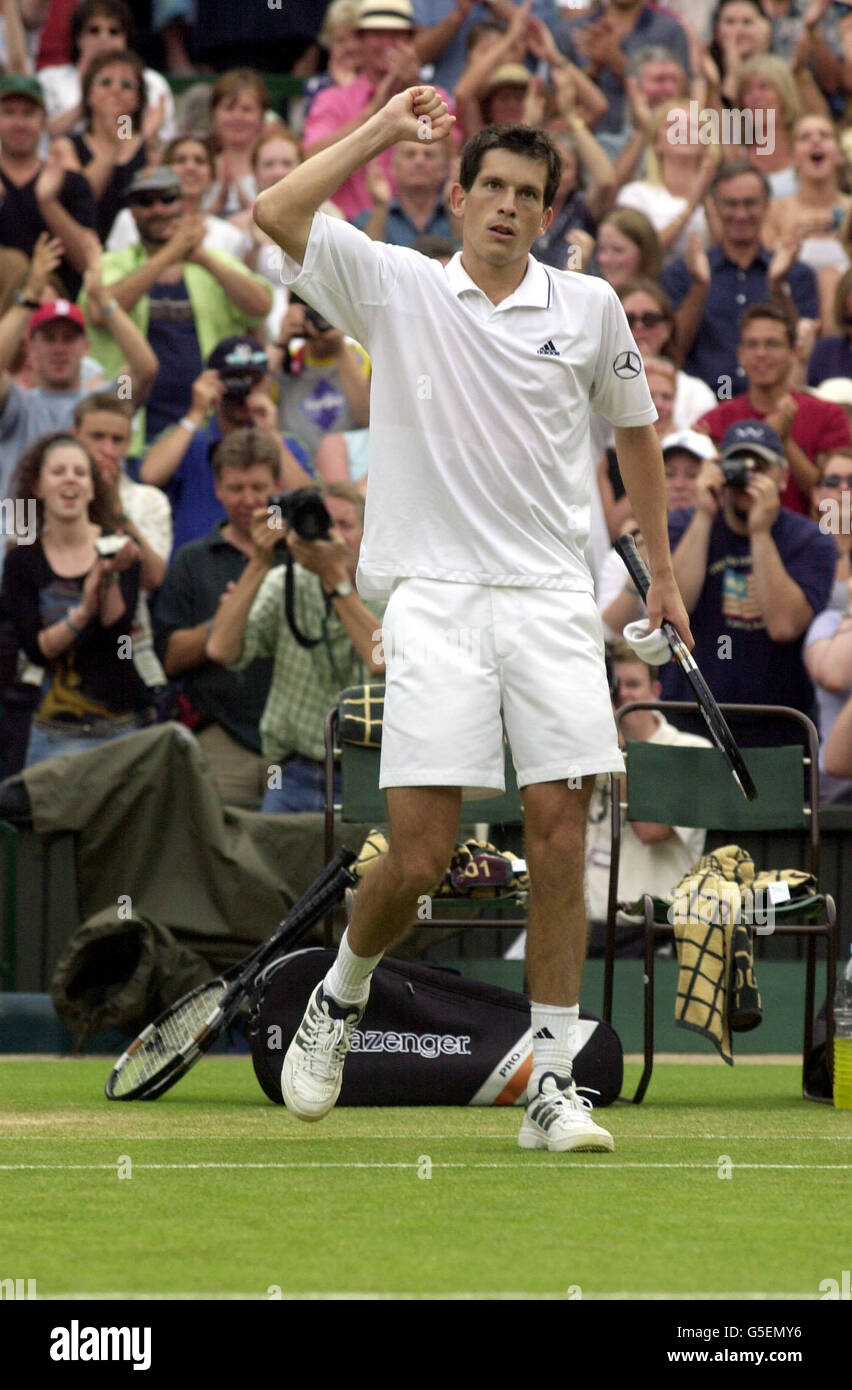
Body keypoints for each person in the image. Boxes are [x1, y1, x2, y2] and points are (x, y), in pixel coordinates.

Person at [253, 85, 692, 1151]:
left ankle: (550, 1085)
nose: (505, 206)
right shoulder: (396, 284)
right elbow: (275, 211)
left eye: (526, 194)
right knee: (419, 856)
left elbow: (634, 432)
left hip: (549, 598)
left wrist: (662, 575)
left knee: (556, 829)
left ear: (547, 215)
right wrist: (379, 131)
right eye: (489, 186)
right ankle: (343, 989)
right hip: (436, 601)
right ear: (455, 196)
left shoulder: (589, 308)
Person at [206, 481, 385, 813]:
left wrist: (335, 579)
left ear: (367, 534)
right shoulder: (285, 581)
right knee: (270, 863)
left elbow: (381, 659)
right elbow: (220, 649)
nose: (332, 535)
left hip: (370, 776)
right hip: (292, 774)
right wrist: (261, 560)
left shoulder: (386, 592)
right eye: (323, 522)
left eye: (344, 525)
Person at [662, 417, 835, 740]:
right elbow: (675, 608)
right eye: (738, 465)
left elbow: (784, 625)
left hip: (778, 725)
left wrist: (760, 533)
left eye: (760, 467)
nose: (746, 477)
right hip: (689, 719)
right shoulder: (683, 525)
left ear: (783, 478)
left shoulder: (810, 540)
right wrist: (703, 515)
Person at [80, 164, 273, 449]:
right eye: (146, 201)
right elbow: (100, 312)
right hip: (129, 430)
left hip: (209, 430)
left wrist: (203, 258)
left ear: (182, 203)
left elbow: (260, 306)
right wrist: (170, 253)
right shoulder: (113, 264)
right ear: (132, 211)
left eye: (167, 198)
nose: (158, 208)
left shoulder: (212, 262)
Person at [0, 430, 155, 767]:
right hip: (53, 734)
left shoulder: (121, 546)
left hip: (121, 729)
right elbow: (37, 651)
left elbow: (118, 636)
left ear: (92, 487)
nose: (70, 480)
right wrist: (83, 610)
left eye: (80, 472)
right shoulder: (21, 560)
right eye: (58, 472)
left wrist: (110, 576)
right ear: (38, 487)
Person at [151, 428, 286, 807]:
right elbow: (170, 660)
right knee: (218, 854)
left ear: (277, 486)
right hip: (221, 738)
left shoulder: (301, 556)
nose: (249, 499)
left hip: (293, 747)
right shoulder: (192, 561)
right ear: (217, 489)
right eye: (236, 487)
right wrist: (226, 621)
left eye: (259, 487)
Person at [0, 235, 158, 500]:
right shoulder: (15, 405)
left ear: (85, 346)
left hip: (86, 526)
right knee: (22, 526)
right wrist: (29, 297)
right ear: (31, 345)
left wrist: (103, 298)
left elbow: (144, 370)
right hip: (22, 522)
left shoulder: (107, 403)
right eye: (49, 338)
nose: (59, 348)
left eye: (69, 338)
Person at [585, 641, 712, 956]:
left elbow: (651, 830)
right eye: (614, 686)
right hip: (582, 922)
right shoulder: (587, 750)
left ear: (655, 690)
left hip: (653, 927)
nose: (623, 695)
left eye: (633, 684)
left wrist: (617, 750)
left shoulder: (689, 751)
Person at [139, 338, 312, 556]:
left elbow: (307, 501)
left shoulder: (287, 445)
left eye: (253, 380)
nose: (242, 389)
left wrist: (271, 434)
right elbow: (150, 474)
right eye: (234, 380)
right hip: (199, 571)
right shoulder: (189, 440)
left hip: (269, 565)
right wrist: (196, 413)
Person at [661, 160, 819, 396]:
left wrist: (777, 285)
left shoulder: (796, 274)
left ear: (767, 206)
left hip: (777, 402)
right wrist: (699, 287)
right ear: (715, 207)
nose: (741, 214)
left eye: (750, 203)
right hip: (703, 405)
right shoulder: (683, 272)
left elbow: (804, 353)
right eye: (731, 204)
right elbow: (673, 352)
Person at [302, 0, 457, 221]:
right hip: (347, 231)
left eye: (396, 35)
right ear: (361, 41)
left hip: (422, 235)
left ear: (410, 41)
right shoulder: (332, 100)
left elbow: (454, 161)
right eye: (377, 34)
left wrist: (415, 87)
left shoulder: (435, 95)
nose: (386, 44)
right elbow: (309, 161)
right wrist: (373, 111)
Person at [696, 302, 851, 515]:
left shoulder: (829, 415)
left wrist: (784, 440)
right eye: (752, 344)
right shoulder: (716, 420)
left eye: (772, 344)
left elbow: (833, 500)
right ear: (739, 355)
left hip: (808, 538)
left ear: (794, 352)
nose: (761, 353)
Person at [599, 429, 718, 638]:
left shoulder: (732, 538)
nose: (679, 485)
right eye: (669, 474)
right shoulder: (634, 542)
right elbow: (606, 632)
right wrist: (638, 567)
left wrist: (704, 514)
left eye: (692, 475)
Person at [0, 72, 97, 299]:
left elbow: (87, 262)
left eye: (29, 113)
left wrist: (49, 203)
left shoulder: (71, 182)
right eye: (9, 113)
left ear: (44, 120)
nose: (19, 123)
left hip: (58, 317)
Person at [51, 48, 160, 245]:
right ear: (89, 94)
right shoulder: (68, 146)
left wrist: (137, 138)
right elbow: (82, 202)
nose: (116, 90)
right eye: (105, 82)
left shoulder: (150, 147)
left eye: (127, 85)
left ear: (138, 99)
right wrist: (113, 143)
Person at [38, 0, 175, 144]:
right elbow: (42, 139)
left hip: (130, 162)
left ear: (126, 39)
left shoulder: (150, 82)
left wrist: (127, 112)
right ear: (78, 38)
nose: (104, 39)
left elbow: (128, 139)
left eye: (114, 32)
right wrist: (87, 101)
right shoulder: (50, 80)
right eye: (94, 30)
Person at [106, 134, 248, 260]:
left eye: (200, 161)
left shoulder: (230, 235)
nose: (190, 167)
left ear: (212, 176)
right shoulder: (130, 219)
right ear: (164, 170)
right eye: (180, 160)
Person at [618, 277, 716, 427]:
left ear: (667, 328)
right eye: (628, 320)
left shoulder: (696, 392)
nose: (639, 327)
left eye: (649, 319)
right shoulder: (597, 390)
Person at [354, 135, 454, 246]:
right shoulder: (366, 220)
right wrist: (380, 207)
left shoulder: (459, 217)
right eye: (410, 155)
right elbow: (364, 260)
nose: (419, 161)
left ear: (444, 169)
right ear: (393, 168)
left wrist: (453, 209)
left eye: (428, 155)